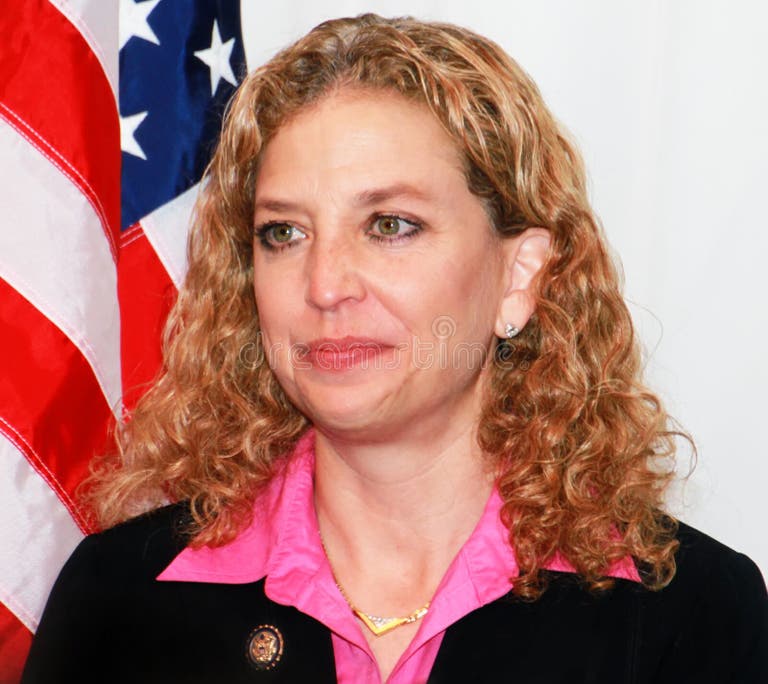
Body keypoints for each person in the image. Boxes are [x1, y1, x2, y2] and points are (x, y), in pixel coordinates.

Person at [22, 13, 767, 683]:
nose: (324, 285)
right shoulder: (115, 599)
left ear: (519, 277)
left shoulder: (691, 614)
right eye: (284, 233)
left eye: (390, 225)